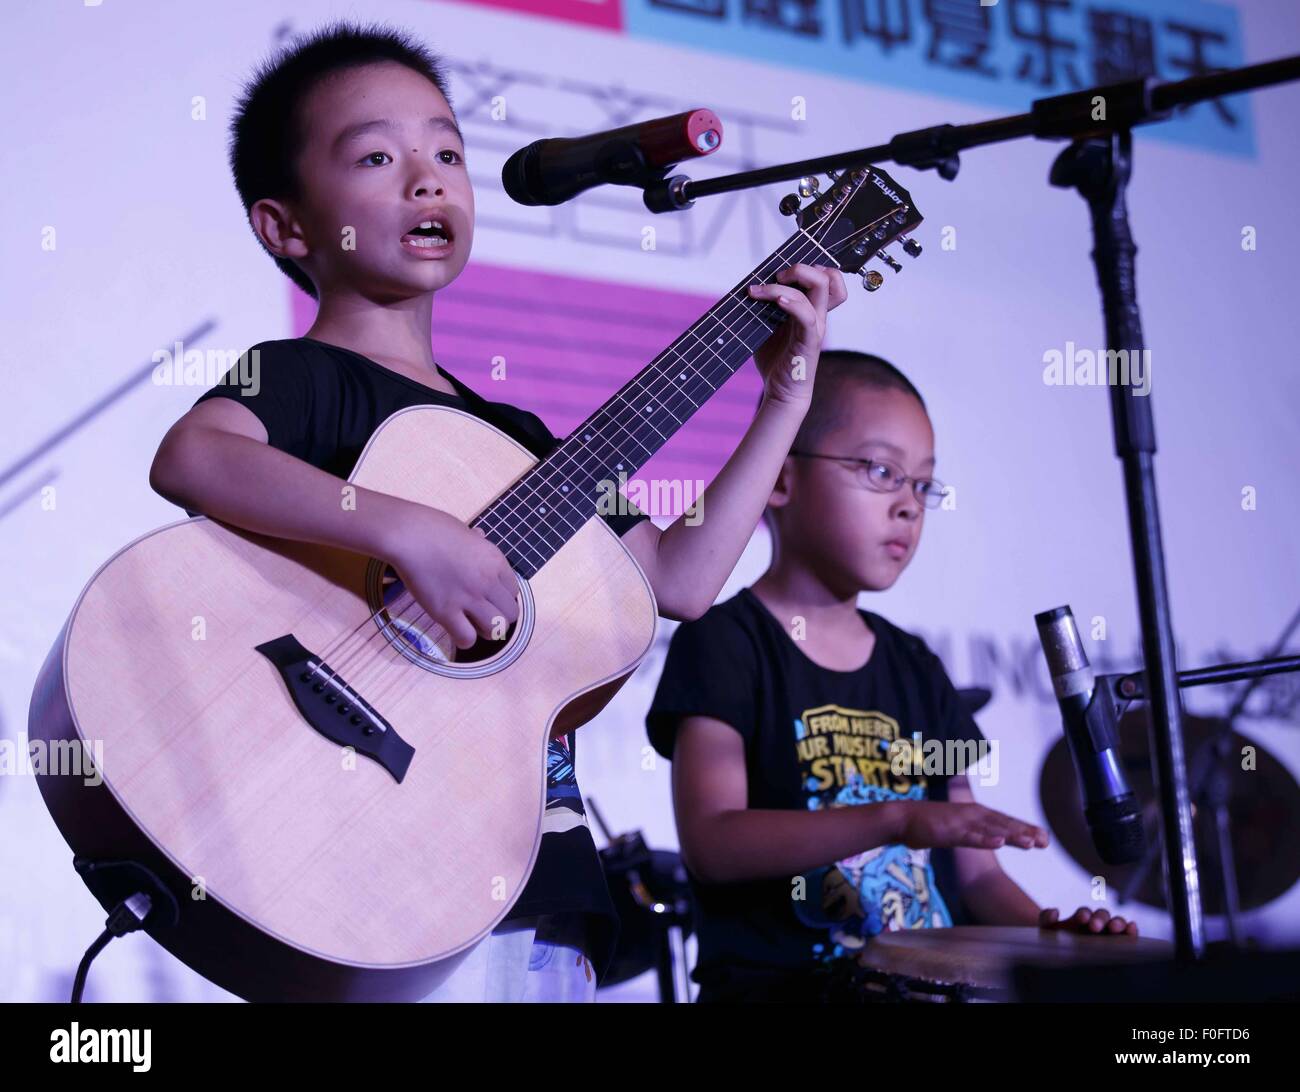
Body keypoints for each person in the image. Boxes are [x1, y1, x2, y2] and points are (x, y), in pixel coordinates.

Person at [147, 20, 847, 1001]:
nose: (427, 180)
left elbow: (679, 579)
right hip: (372, 860)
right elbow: (194, 456)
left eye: (447, 153)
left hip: (534, 876)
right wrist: (405, 531)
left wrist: (783, 399)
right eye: (378, 156)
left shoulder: (516, 434)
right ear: (287, 227)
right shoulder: (299, 374)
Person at [645, 350, 1138, 1004]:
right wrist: (896, 817)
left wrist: (1055, 936)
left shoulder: (917, 668)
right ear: (782, 479)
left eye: (922, 485)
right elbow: (713, 842)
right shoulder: (724, 641)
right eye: (881, 472)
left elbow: (978, 876)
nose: (909, 507)